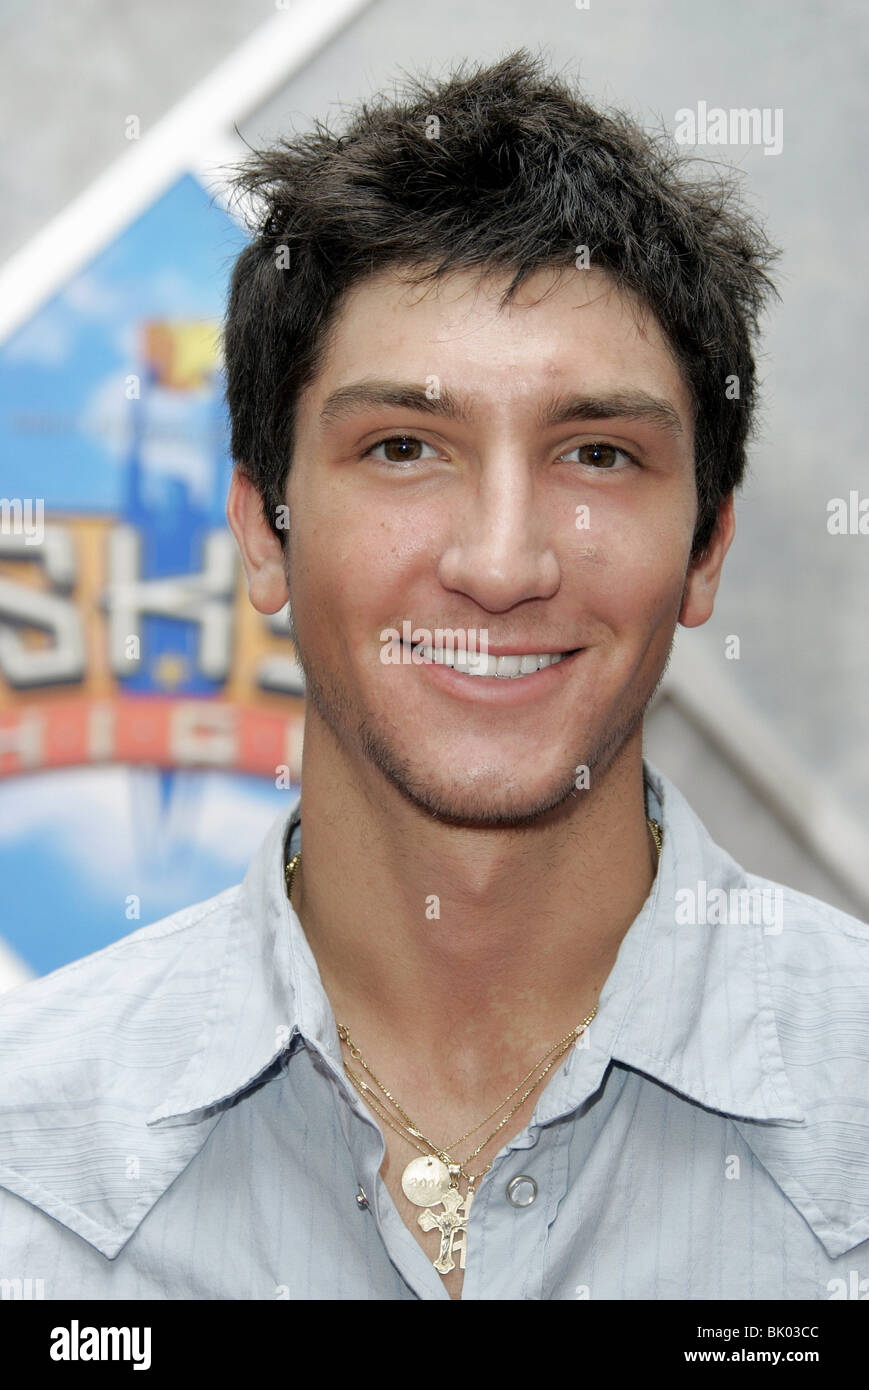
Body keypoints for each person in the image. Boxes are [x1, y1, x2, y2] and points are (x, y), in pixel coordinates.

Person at [1, 50, 866, 1303]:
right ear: (262, 531)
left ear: (704, 545)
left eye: (597, 454)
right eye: (403, 446)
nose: (501, 563)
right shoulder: (26, 1164)